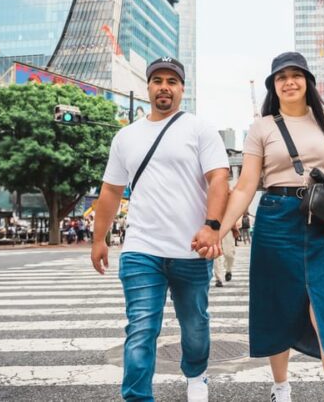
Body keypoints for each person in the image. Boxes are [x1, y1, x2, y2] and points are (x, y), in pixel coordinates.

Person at [196, 52, 324, 402]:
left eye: (296, 75)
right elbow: (246, 185)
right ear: (273, 85)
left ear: (308, 82)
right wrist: (217, 229)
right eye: (282, 77)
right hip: (276, 219)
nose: (289, 82)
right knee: (276, 305)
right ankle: (281, 387)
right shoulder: (262, 127)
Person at [90, 57, 230, 402]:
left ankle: (196, 376)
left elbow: (219, 179)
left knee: (194, 326)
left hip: (191, 250)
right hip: (141, 249)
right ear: (149, 87)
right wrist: (99, 239)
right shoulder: (126, 137)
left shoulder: (200, 130)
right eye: (157, 80)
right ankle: (137, 397)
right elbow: (110, 190)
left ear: (182, 89)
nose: (164, 86)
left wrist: (212, 226)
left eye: (171, 81)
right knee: (140, 329)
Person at [213, 216, 239, 287]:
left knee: (229, 254)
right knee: (216, 254)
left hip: (227, 226)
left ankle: (228, 270)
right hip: (213, 227)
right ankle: (218, 279)